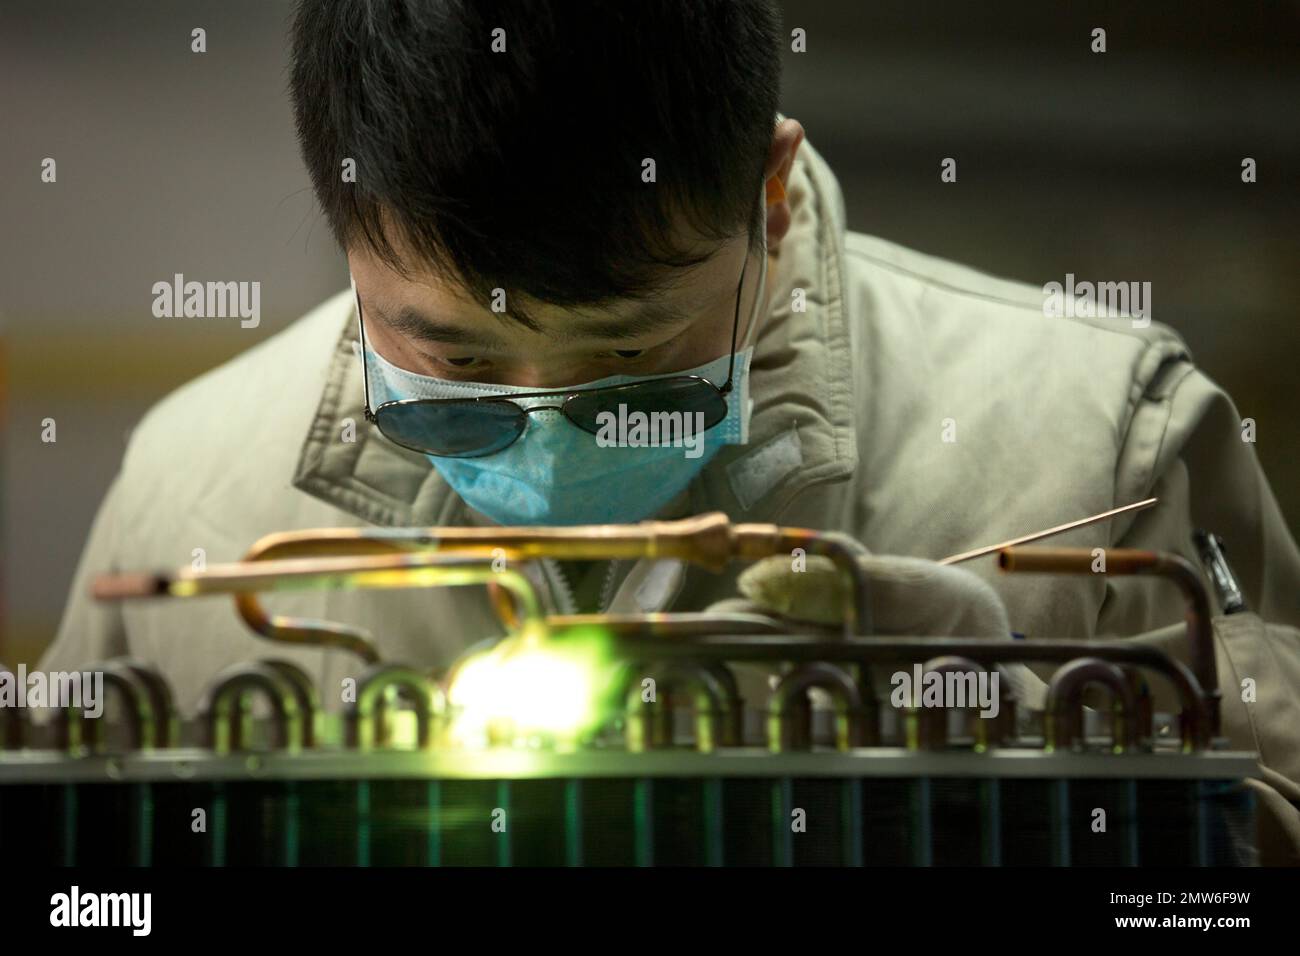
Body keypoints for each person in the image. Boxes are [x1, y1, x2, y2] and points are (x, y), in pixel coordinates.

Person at [43, 1, 1300, 860]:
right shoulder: (195, 491)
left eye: (631, 350)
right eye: (457, 357)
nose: (546, 428)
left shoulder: (1104, 443)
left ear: (765, 193)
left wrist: (1056, 775)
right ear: (348, 235)